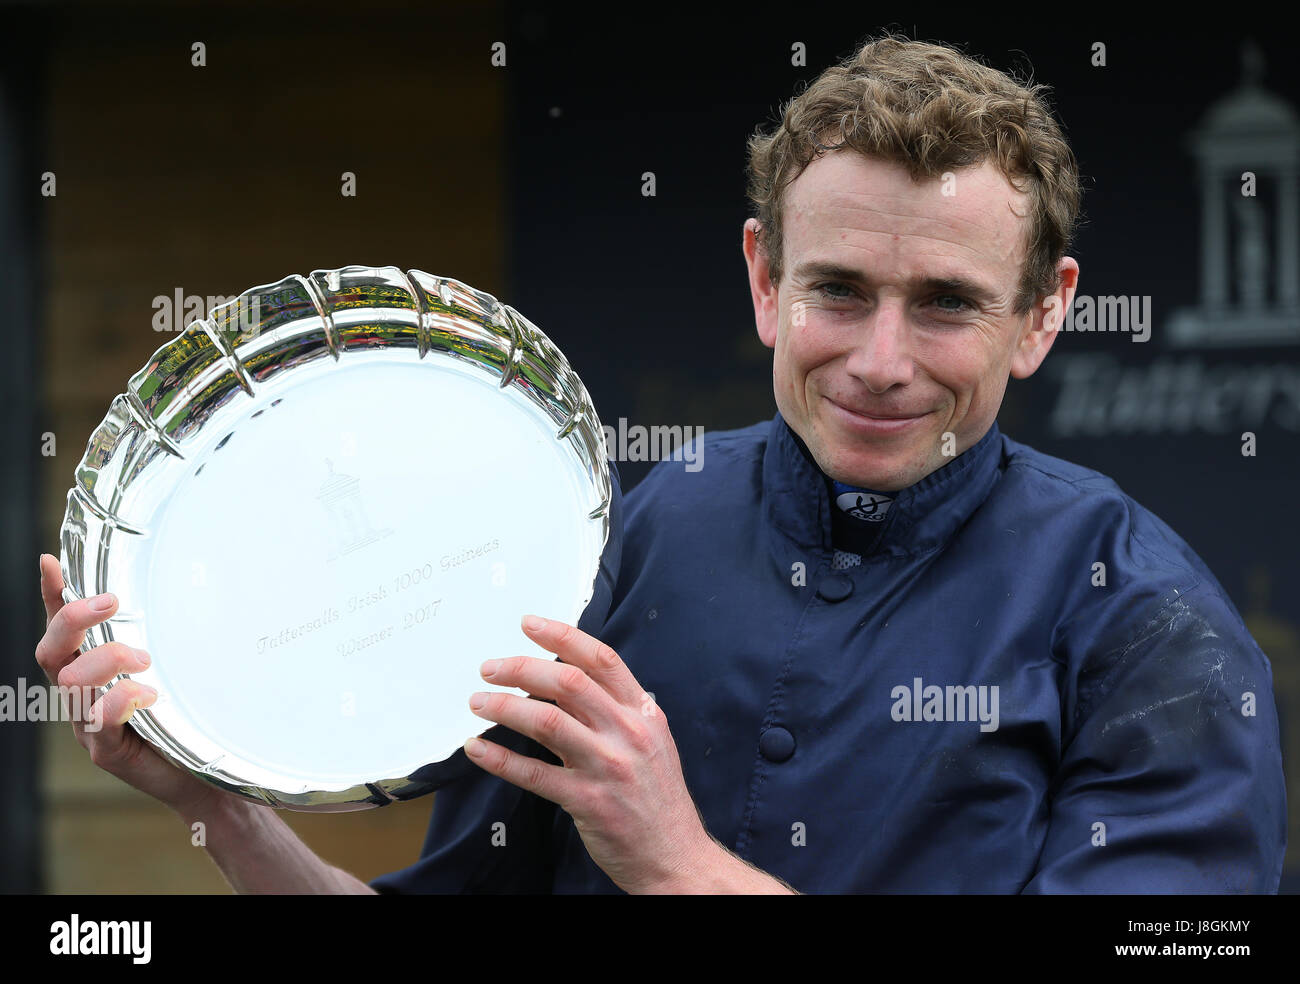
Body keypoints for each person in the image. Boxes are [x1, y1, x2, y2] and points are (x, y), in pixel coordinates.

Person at [35, 34, 1286, 893]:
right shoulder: (631, 531)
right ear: (761, 278)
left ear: (1044, 313)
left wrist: (676, 862)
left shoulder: (1150, 628)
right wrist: (213, 798)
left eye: (947, 304)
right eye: (836, 291)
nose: (879, 361)